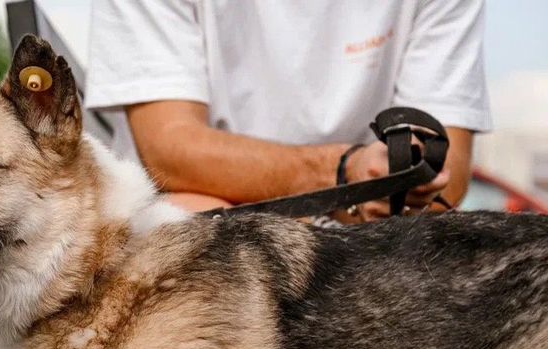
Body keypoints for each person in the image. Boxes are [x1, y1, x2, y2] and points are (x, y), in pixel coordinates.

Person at [85, 0, 491, 222]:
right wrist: (346, 176)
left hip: (360, 236)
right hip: (209, 221)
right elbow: (170, 152)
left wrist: (408, 181)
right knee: (194, 222)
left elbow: (448, 170)